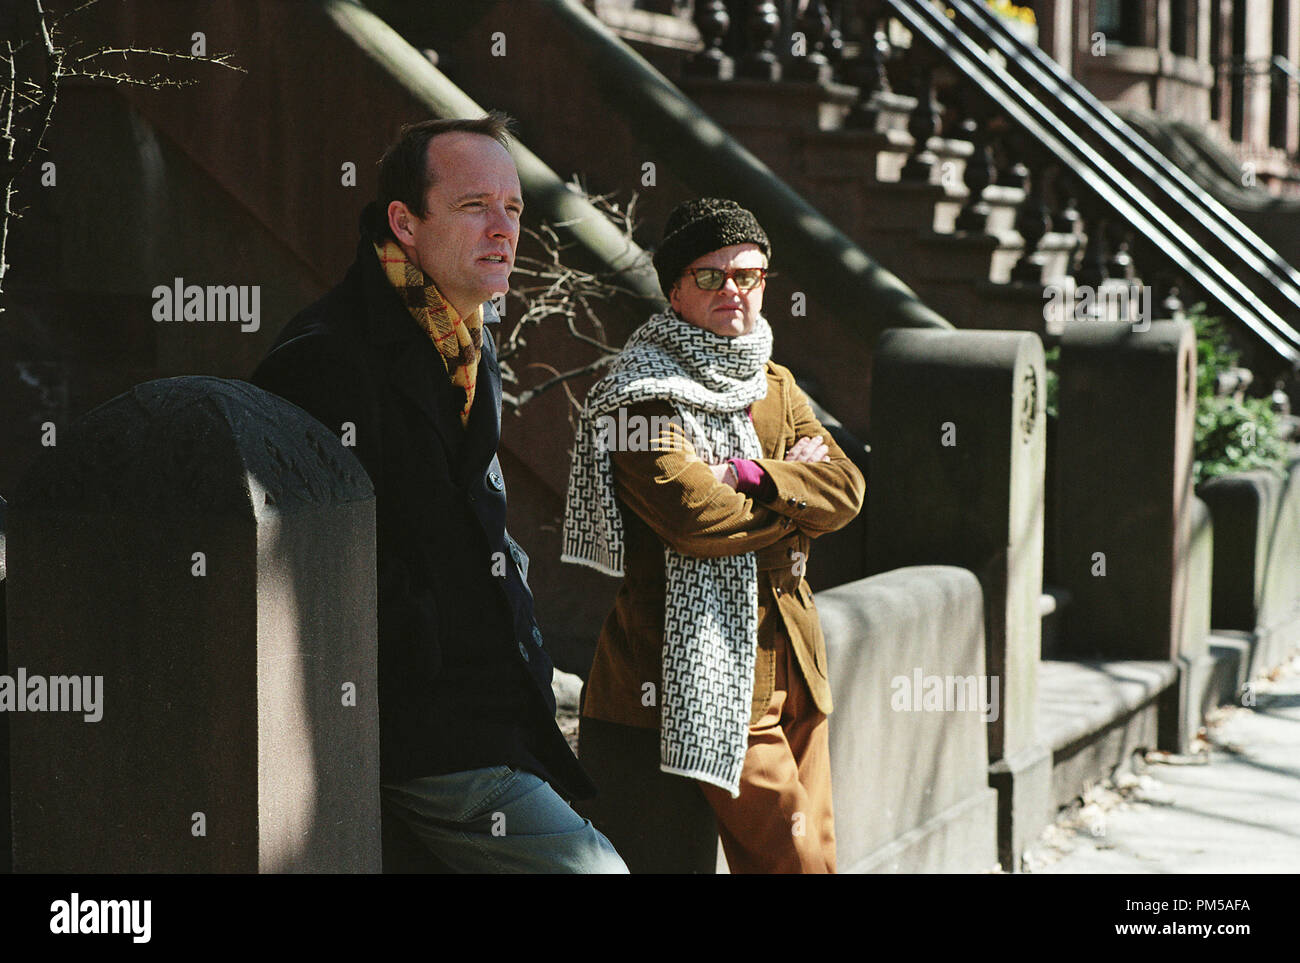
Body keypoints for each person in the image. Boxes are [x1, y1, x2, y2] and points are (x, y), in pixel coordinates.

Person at [252, 114, 626, 874]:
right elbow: (307, 567)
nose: (503, 230)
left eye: (514, 208)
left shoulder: (466, 339)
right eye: (473, 207)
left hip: (491, 710)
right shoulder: (327, 358)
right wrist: (429, 660)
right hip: (416, 730)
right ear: (405, 222)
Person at [563, 198, 865, 873]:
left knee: (814, 852)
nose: (732, 290)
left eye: (748, 275)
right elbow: (692, 517)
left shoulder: (776, 384)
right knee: (796, 860)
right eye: (710, 276)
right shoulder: (642, 396)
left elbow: (847, 490)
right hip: (696, 667)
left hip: (795, 659)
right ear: (674, 289)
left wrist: (751, 473)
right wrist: (794, 496)